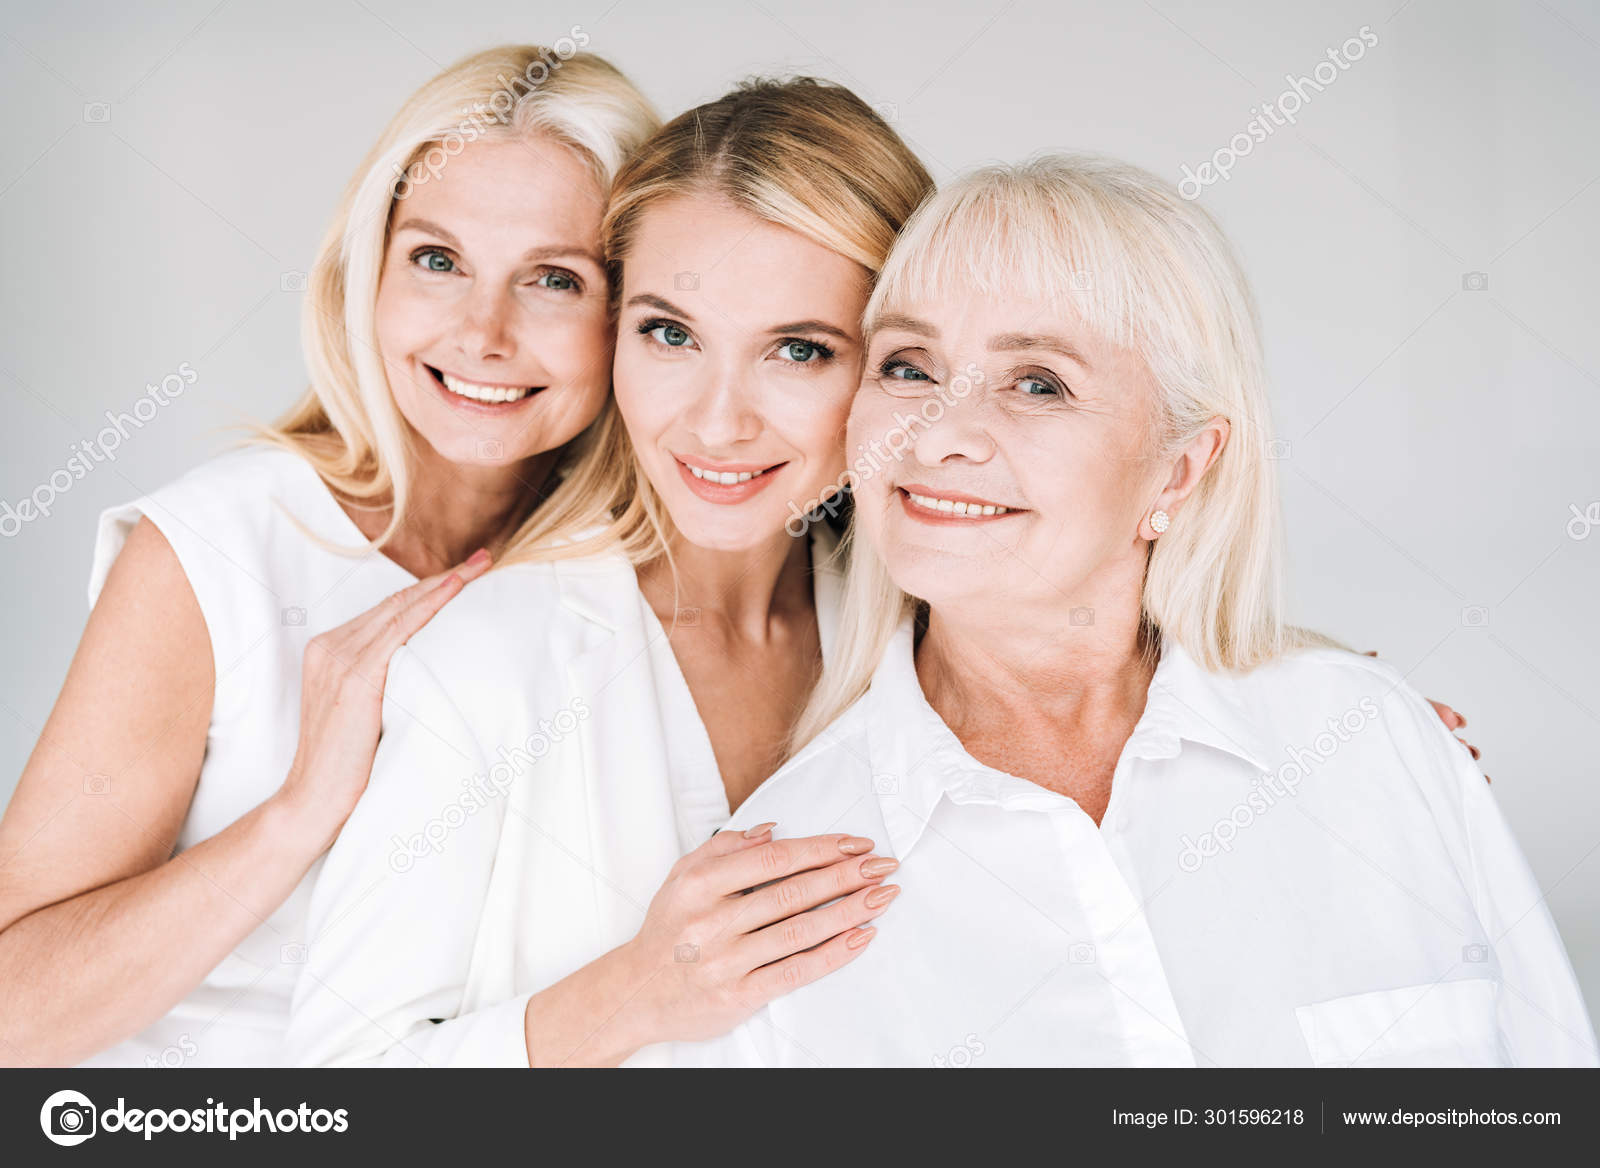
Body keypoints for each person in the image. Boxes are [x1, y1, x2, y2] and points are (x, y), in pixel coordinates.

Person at [676, 155, 1598, 1067]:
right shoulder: (782, 882)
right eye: (909, 368)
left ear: (1180, 468)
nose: (942, 433)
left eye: (1038, 382)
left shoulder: (1375, 741)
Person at [0, 45, 658, 1067]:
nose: (482, 332)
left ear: (638, 313)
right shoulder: (214, 554)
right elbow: (12, 1013)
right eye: (437, 261)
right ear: (369, 272)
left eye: (555, 279)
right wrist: (299, 812)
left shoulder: (642, 578)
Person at [285, 79, 933, 1067]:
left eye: (797, 350)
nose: (716, 422)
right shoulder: (487, 661)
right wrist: (627, 999)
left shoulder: (918, 640)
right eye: (669, 334)